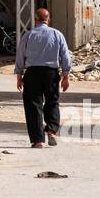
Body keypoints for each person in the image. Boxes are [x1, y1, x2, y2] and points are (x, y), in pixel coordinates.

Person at [13, 8, 71, 148]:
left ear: (36, 19)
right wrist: (66, 76)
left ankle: (38, 140)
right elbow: (65, 56)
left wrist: (19, 76)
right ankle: (51, 130)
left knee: (33, 105)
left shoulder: (28, 35)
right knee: (52, 102)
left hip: (32, 73)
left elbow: (20, 56)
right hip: (51, 73)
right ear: (48, 19)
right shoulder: (57, 34)